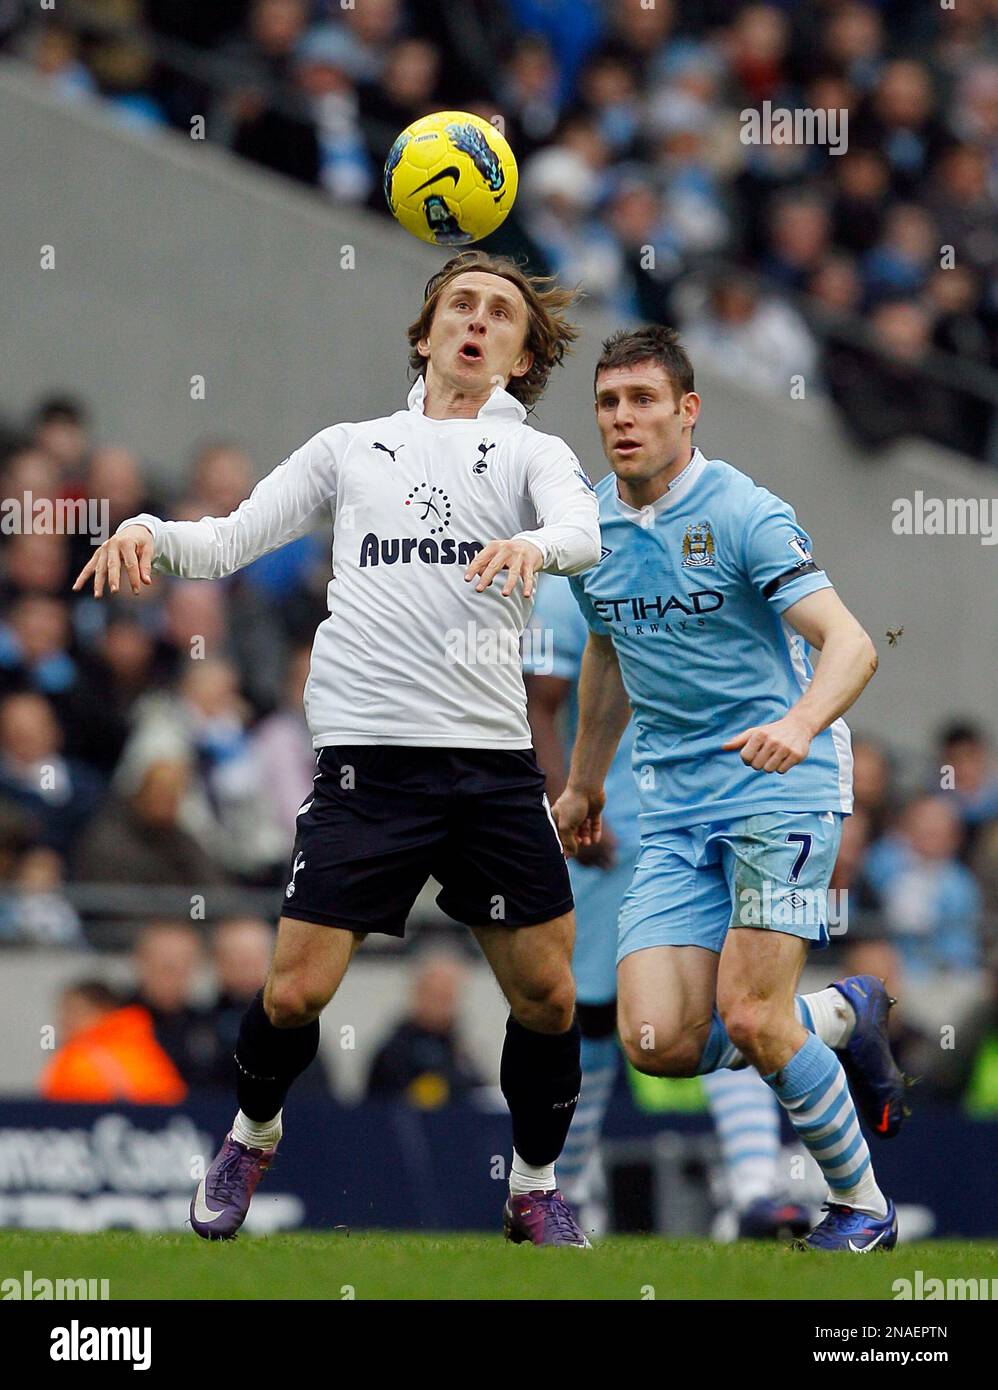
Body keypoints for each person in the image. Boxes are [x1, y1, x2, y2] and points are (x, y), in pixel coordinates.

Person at [74, 249, 601, 1246]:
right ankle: (251, 1130)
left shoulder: (533, 456)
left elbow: (583, 529)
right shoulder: (353, 446)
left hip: (488, 770)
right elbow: (227, 539)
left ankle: (531, 1185)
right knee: (292, 989)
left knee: (547, 993)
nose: (476, 321)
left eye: (498, 312)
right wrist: (150, 524)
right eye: (460, 305)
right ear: (424, 332)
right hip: (369, 770)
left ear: (521, 353)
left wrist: (538, 544)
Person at [553, 324, 906, 1252]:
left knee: (748, 1014)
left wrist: (797, 725)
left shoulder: (747, 513)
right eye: (607, 403)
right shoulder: (593, 526)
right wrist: (585, 783)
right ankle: (839, 1017)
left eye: (642, 402)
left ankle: (862, 1206)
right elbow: (607, 653)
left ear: (688, 411)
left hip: (777, 793)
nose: (622, 420)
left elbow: (852, 644)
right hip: (669, 805)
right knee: (657, 1042)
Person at [526, 574, 811, 1241]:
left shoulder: (699, 572)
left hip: (699, 823)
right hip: (613, 832)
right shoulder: (569, 591)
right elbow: (539, 704)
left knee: (725, 1001)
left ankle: (753, 1190)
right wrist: (568, 801)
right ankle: (559, 1191)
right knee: (590, 1016)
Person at [39, 980, 187, 1105]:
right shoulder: (144, 1046)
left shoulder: (85, 1057)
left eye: (75, 1012)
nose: (65, 1021)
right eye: (64, 1013)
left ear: (103, 1011)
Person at [366, 951, 484, 1106]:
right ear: (419, 993)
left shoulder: (460, 1051)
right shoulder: (396, 1052)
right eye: (438, 996)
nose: (445, 1006)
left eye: (449, 997)